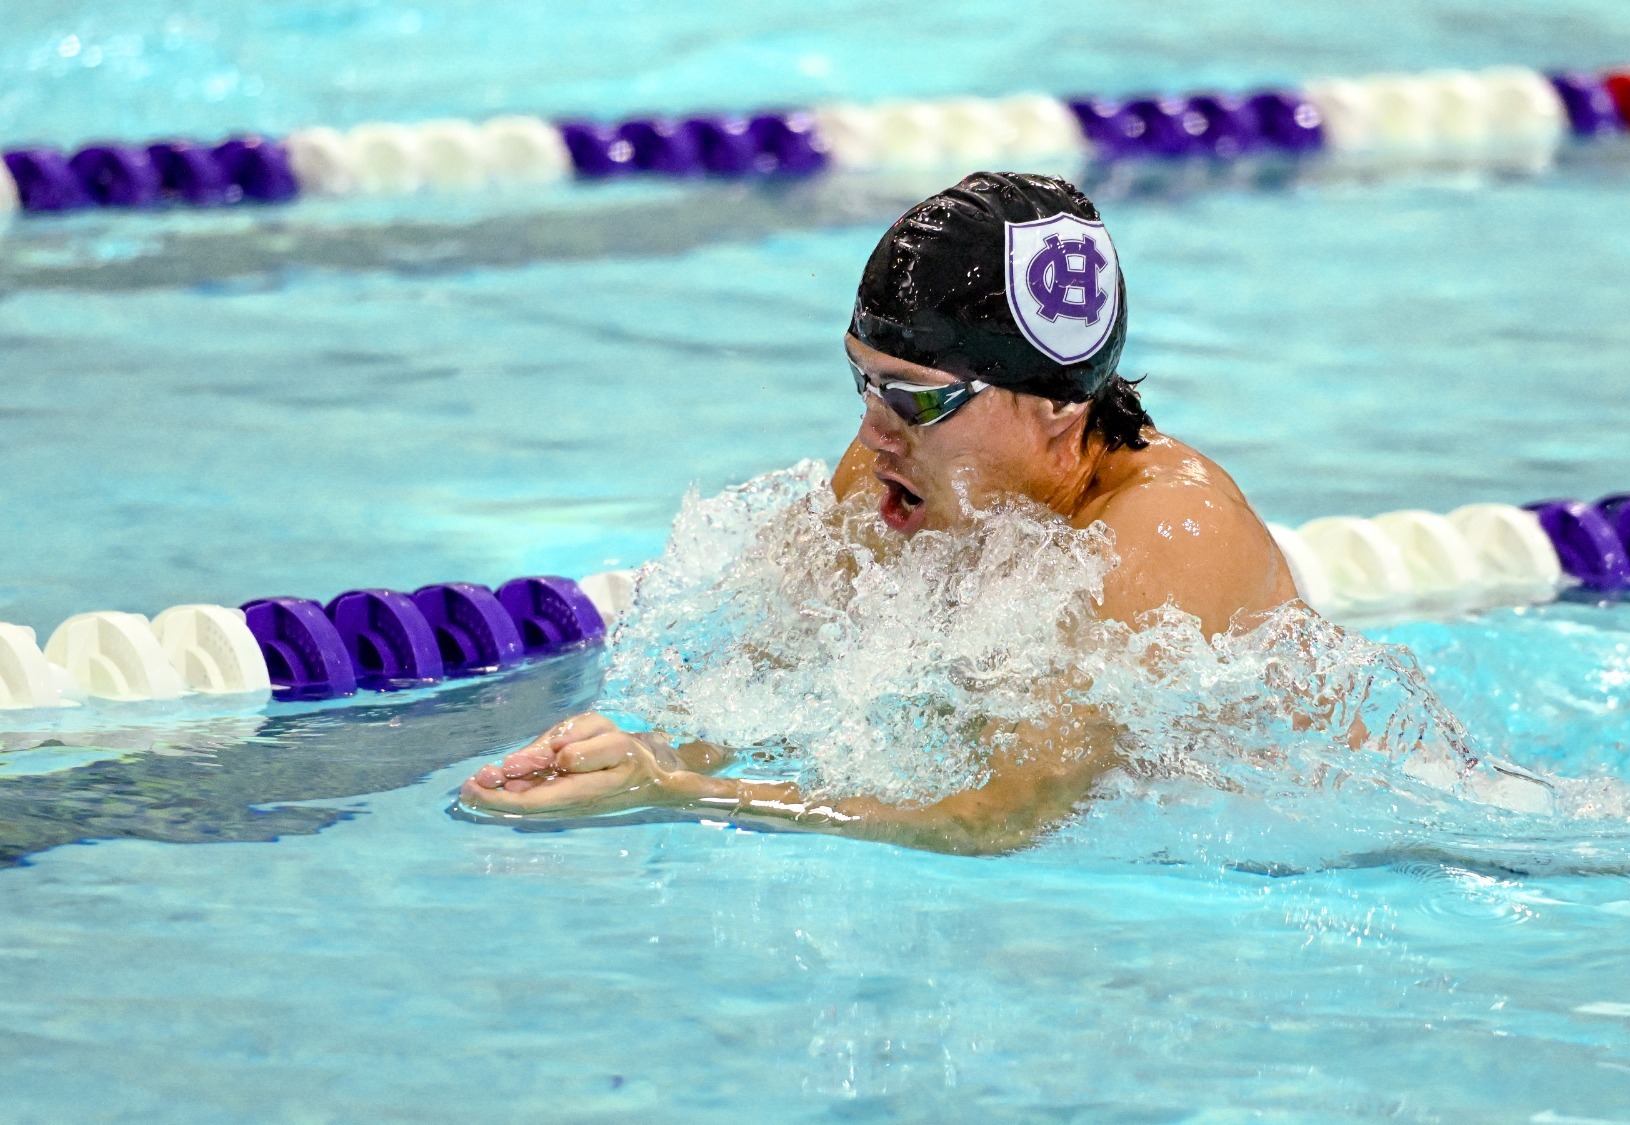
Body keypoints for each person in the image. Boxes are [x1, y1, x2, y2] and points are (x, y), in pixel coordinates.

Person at [457, 171, 1300, 852]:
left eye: (915, 398)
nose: (872, 429)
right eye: (864, 379)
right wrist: (653, 750)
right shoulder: (897, 476)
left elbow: (1004, 814)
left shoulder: (1166, 534)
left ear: (1056, 404)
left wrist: (685, 795)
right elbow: (780, 679)